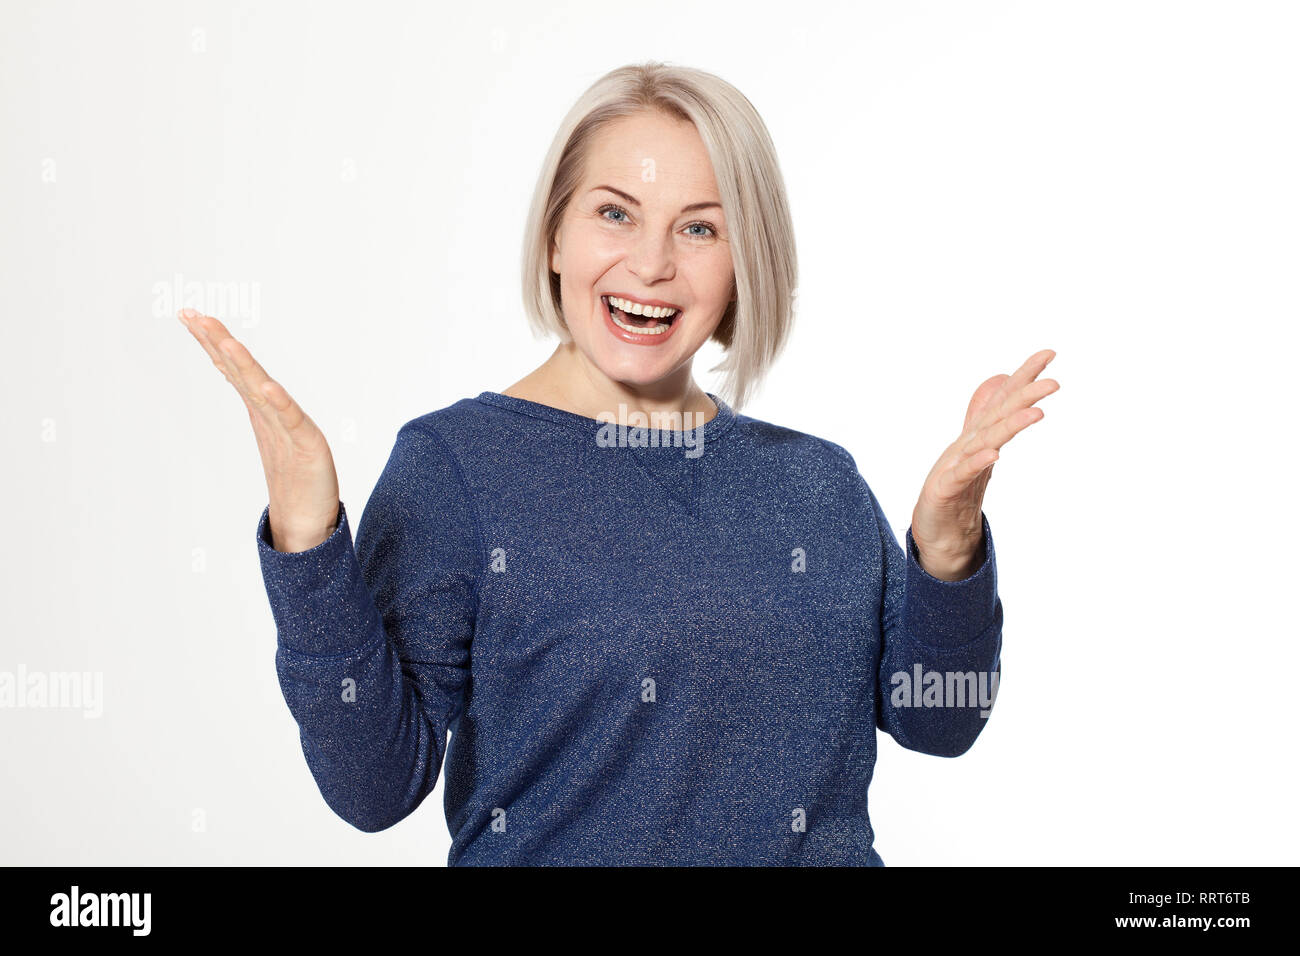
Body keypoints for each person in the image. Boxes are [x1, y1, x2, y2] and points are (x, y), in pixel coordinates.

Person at [177, 61, 1058, 866]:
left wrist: (947, 545)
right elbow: (373, 788)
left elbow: (941, 721)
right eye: (614, 214)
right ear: (555, 236)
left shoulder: (816, 484)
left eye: (701, 228)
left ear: (747, 263)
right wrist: (306, 541)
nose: (651, 264)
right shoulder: (458, 468)